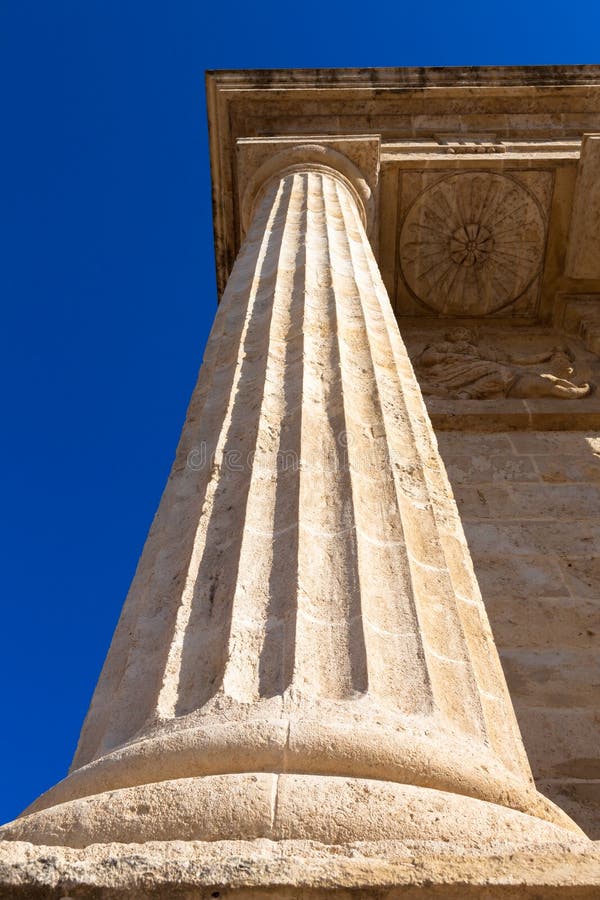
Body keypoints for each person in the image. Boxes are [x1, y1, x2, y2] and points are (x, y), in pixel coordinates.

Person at [413, 327, 591, 400]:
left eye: (466, 333)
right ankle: (466, 392)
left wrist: (548, 354)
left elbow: (515, 359)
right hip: (449, 372)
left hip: (484, 369)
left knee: (502, 373)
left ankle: (467, 392)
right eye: (458, 332)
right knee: (501, 372)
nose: (462, 334)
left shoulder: (481, 352)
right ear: (450, 336)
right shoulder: (442, 346)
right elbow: (426, 359)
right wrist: (447, 357)